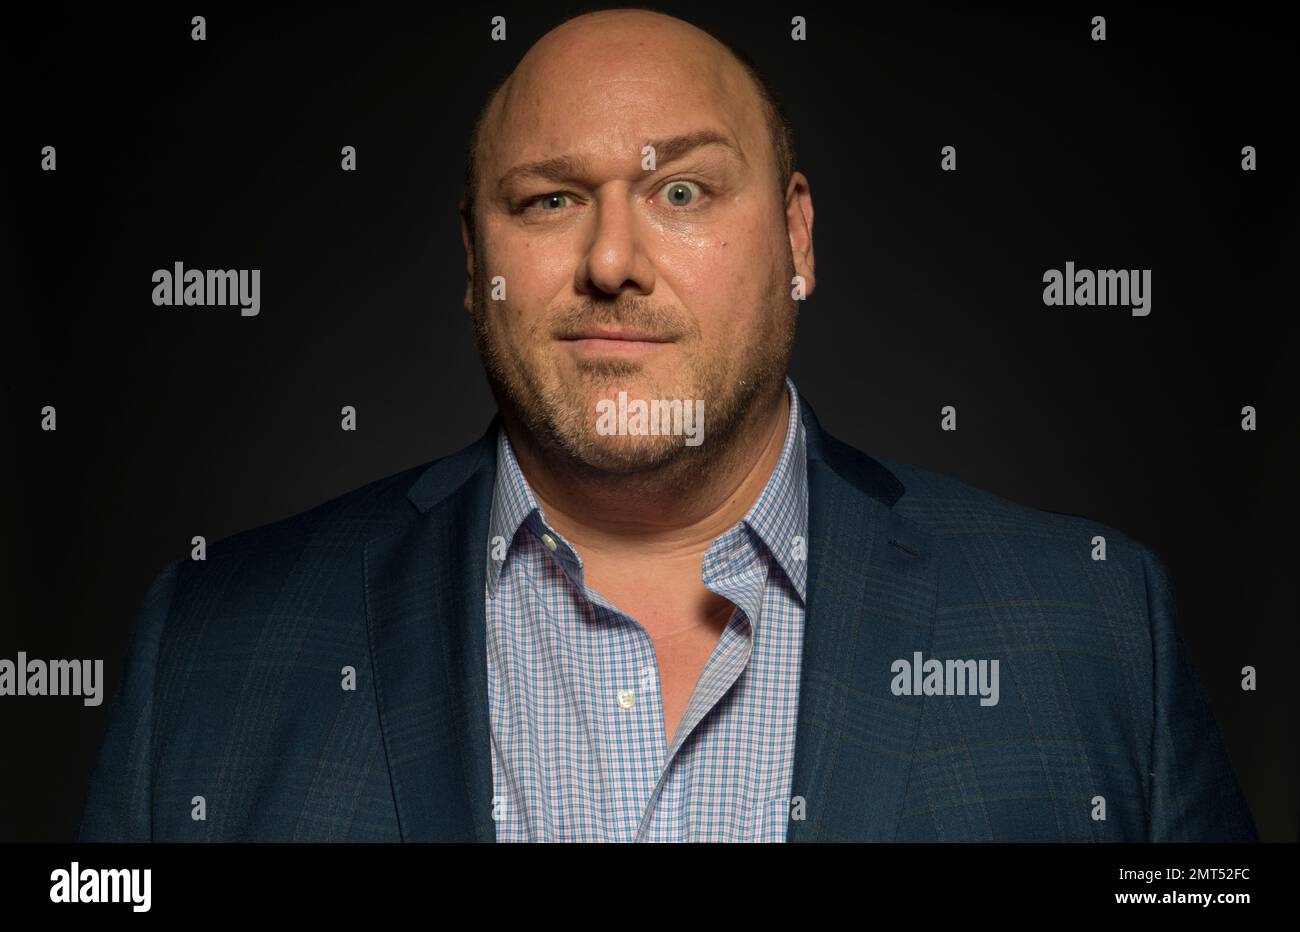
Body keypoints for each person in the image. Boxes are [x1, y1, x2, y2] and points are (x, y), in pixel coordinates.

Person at [78, 8, 1256, 842]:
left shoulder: (1093, 630)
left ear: (796, 239)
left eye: (681, 191)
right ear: (474, 259)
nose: (609, 261)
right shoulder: (210, 652)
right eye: (549, 201)